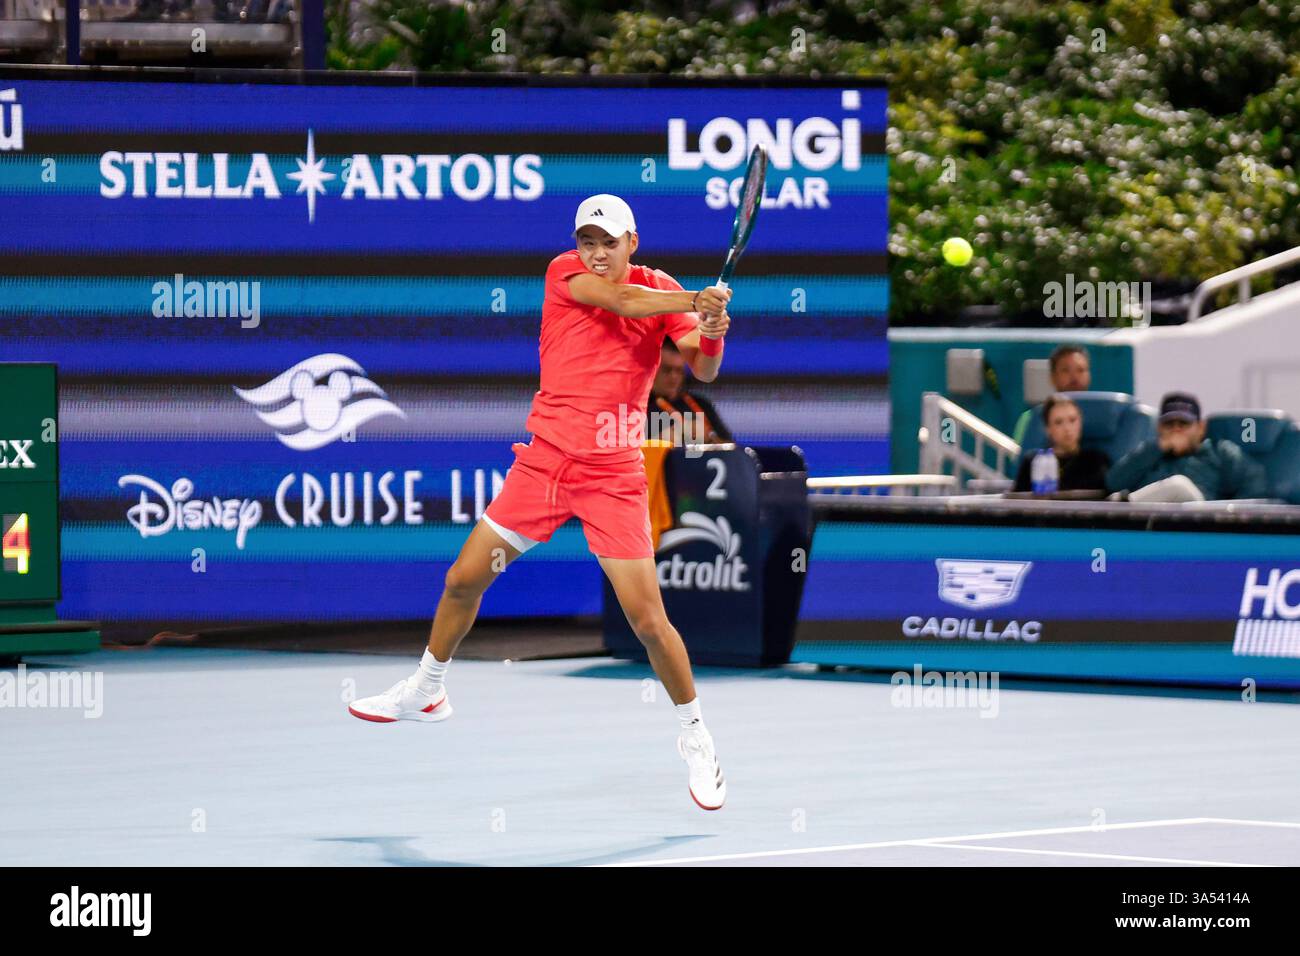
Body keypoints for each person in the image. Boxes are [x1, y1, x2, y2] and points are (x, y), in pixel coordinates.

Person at [348, 194, 734, 811]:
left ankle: (697, 736)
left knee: (647, 622)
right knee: (461, 580)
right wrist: (696, 301)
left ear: (633, 241)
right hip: (546, 464)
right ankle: (427, 688)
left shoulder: (661, 286)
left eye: (609, 242)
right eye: (589, 241)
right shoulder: (566, 274)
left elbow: (704, 369)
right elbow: (625, 302)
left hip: (612, 474)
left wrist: (711, 332)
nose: (597, 253)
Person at [1106, 392, 1267, 501]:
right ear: (1159, 428)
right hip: (1152, 526)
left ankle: (1123, 507)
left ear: (1200, 428)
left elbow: (1256, 485)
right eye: (1169, 424)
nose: (1176, 429)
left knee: (1178, 485)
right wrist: (1158, 448)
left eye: (1184, 423)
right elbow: (1113, 482)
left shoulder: (1219, 451)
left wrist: (1229, 517)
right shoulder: (1149, 453)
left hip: (1200, 522)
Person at [1012, 394, 1110, 493]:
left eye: (1072, 420)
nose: (1067, 428)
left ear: (1080, 422)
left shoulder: (1096, 460)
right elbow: (1015, 502)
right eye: (1058, 422)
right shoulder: (1034, 461)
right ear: (1048, 429)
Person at [647, 339, 733, 444]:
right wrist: (661, 440)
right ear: (653, 368)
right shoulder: (639, 407)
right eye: (667, 369)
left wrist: (709, 437)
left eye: (679, 370)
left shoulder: (701, 404)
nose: (673, 376)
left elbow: (731, 449)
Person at [1012, 344, 1091, 446]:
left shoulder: (1102, 415)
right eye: (1065, 370)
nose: (1074, 377)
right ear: (1052, 377)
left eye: (1080, 370)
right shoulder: (1030, 419)